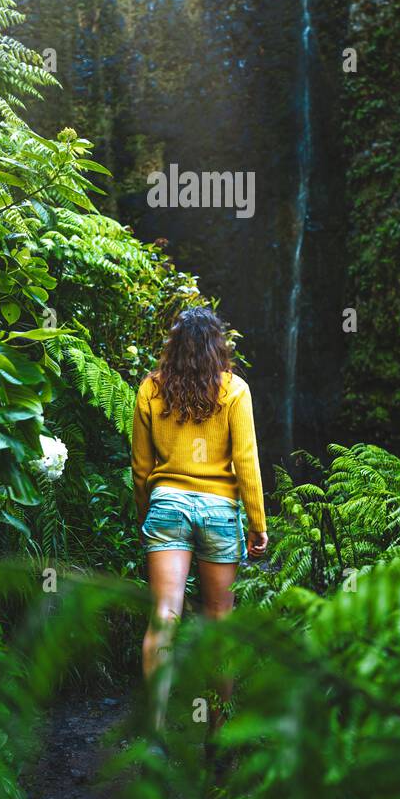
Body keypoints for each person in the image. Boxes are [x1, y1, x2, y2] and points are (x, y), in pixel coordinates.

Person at [131, 306, 267, 735]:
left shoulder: (150, 390)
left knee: (164, 615)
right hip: (219, 512)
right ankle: (217, 734)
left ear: (173, 346)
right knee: (219, 619)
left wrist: (145, 514)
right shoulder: (235, 391)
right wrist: (258, 524)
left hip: (167, 505)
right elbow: (247, 463)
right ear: (218, 347)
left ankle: (153, 731)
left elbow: (140, 467)